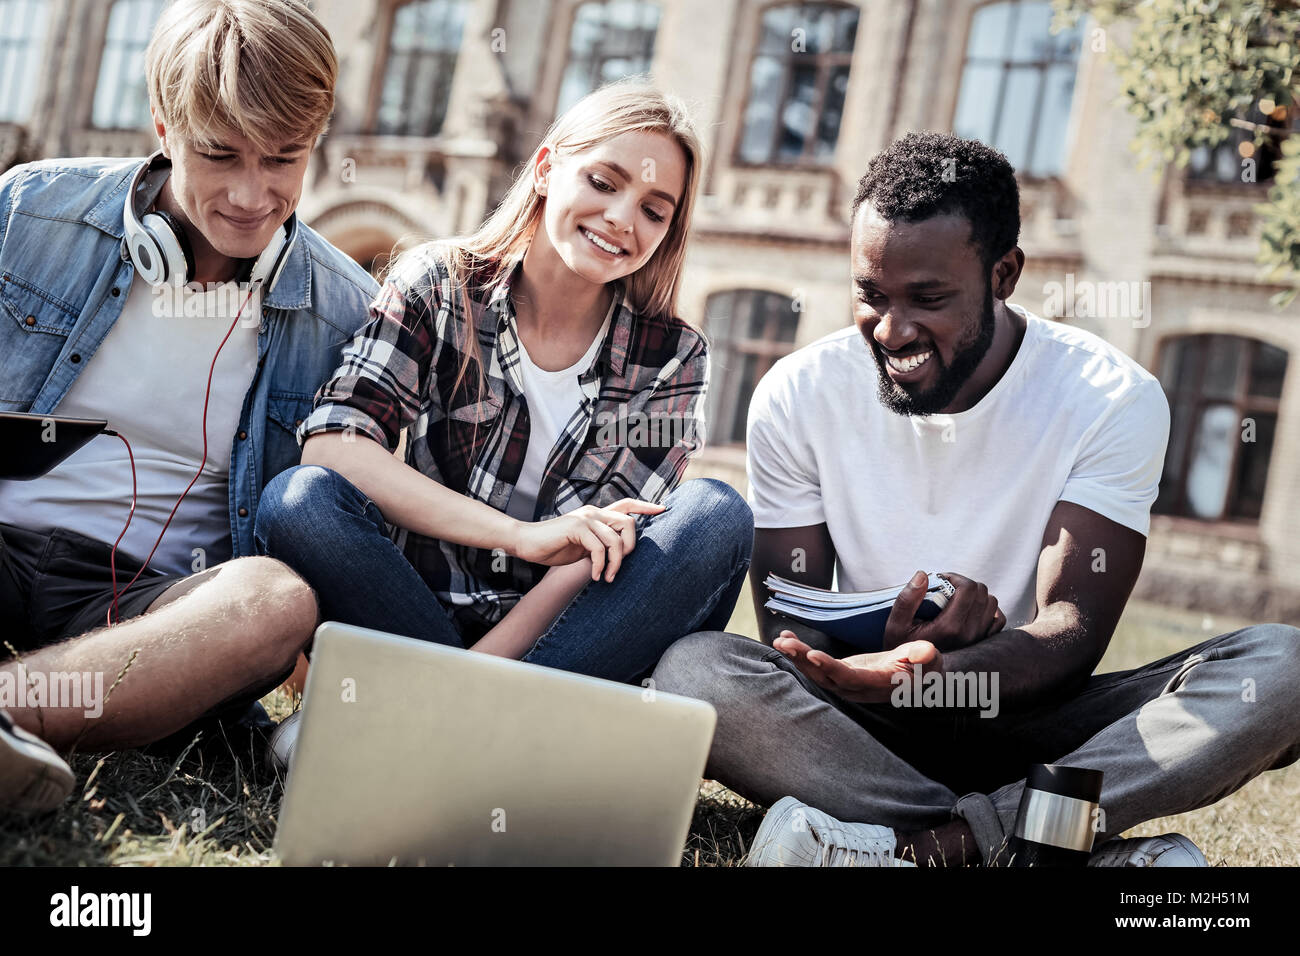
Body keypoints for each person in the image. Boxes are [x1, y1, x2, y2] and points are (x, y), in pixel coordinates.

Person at [652, 131, 1300, 867]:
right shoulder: (796, 396)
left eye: (928, 298)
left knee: (1282, 670)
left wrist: (948, 673)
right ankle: (1041, 844)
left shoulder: (1109, 396)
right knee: (693, 672)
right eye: (871, 295)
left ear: (1004, 274)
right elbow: (798, 639)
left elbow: (1073, 629)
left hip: (1033, 721)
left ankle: (931, 848)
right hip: (868, 732)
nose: (892, 331)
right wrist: (889, 668)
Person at [254, 81, 753, 702]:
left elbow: (596, 557)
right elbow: (335, 447)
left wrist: (470, 683)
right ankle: (475, 732)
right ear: (547, 170)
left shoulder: (673, 357)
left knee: (714, 515)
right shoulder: (440, 284)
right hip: (408, 611)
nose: (623, 218)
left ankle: (425, 716)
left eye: (655, 209)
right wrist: (518, 536)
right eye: (603, 182)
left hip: (567, 644)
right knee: (298, 500)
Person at [0, 0, 377, 797]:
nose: (250, 194)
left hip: (144, 612)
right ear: (165, 132)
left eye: (283, 159)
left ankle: (15, 713)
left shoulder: (349, 312)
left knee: (273, 603)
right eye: (219, 155)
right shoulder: (32, 210)